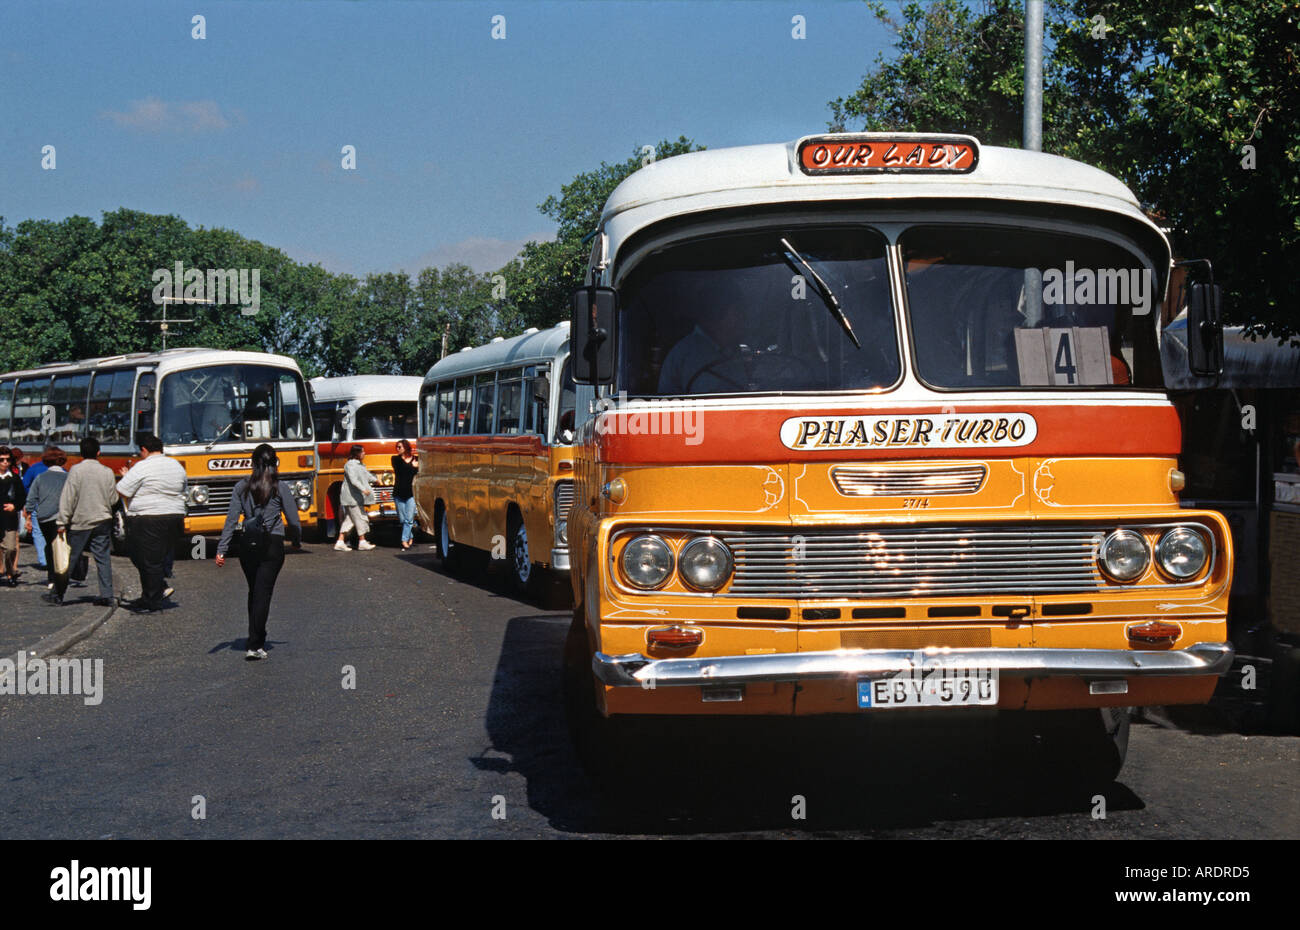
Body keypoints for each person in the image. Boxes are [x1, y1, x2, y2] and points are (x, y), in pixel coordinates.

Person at [215, 444, 302, 660]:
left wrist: (222, 549)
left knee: (255, 591)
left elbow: (231, 520)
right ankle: (255, 644)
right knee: (264, 593)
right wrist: (297, 541)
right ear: (275, 463)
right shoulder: (279, 487)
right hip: (272, 542)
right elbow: (293, 520)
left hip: (248, 543)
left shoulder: (241, 487)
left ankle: (256, 636)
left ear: (252, 463)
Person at [115, 433, 187, 613]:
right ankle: (149, 594)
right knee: (156, 557)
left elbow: (122, 490)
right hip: (175, 515)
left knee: (145, 558)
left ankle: (153, 599)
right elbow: (183, 487)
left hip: (149, 516)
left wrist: (127, 476)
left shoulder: (142, 466)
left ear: (144, 450)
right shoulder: (176, 465)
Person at [53, 437, 117, 607]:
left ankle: (58, 593)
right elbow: (113, 498)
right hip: (102, 519)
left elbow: (69, 497)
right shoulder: (107, 471)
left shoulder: (76, 470)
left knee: (70, 558)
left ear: (81, 453)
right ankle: (107, 594)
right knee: (103, 558)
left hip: (81, 520)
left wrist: (62, 521)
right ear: (98, 453)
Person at [26, 447, 68, 590]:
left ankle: (51, 577)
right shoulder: (67, 477)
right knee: (62, 546)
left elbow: (31, 499)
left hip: (44, 517)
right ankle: (62, 574)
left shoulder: (40, 478)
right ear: (62, 460)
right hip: (62, 516)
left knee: (49, 545)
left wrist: (28, 517)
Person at [335, 444, 376, 551]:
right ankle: (362, 541)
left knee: (350, 520)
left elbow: (366, 475)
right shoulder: (351, 465)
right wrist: (363, 489)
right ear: (357, 453)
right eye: (362, 452)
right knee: (360, 518)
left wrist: (376, 479)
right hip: (351, 497)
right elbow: (354, 480)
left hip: (356, 497)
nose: (364, 453)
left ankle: (340, 541)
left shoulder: (359, 465)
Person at [22, 444, 53, 571]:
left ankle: (44, 560)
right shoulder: (61, 471)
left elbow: (25, 485)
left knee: (38, 532)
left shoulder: (34, 468)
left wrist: (30, 498)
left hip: (37, 503)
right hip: (55, 505)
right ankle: (54, 559)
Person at [0, 447, 26, 587]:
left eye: (8, 460)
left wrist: (14, 506)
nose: (5, 462)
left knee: (10, 548)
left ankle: (10, 571)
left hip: (9, 519)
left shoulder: (14, 478)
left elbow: (22, 497)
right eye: (2, 460)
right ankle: (6, 573)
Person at [391, 439, 418, 550]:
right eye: (397, 447)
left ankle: (404, 540)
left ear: (406, 448)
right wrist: (413, 467)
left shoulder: (416, 459)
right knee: (402, 519)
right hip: (398, 492)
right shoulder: (395, 459)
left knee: (408, 519)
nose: (397, 449)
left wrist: (416, 467)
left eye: (400, 447)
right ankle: (410, 536)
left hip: (411, 493)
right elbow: (400, 470)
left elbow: (419, 472)